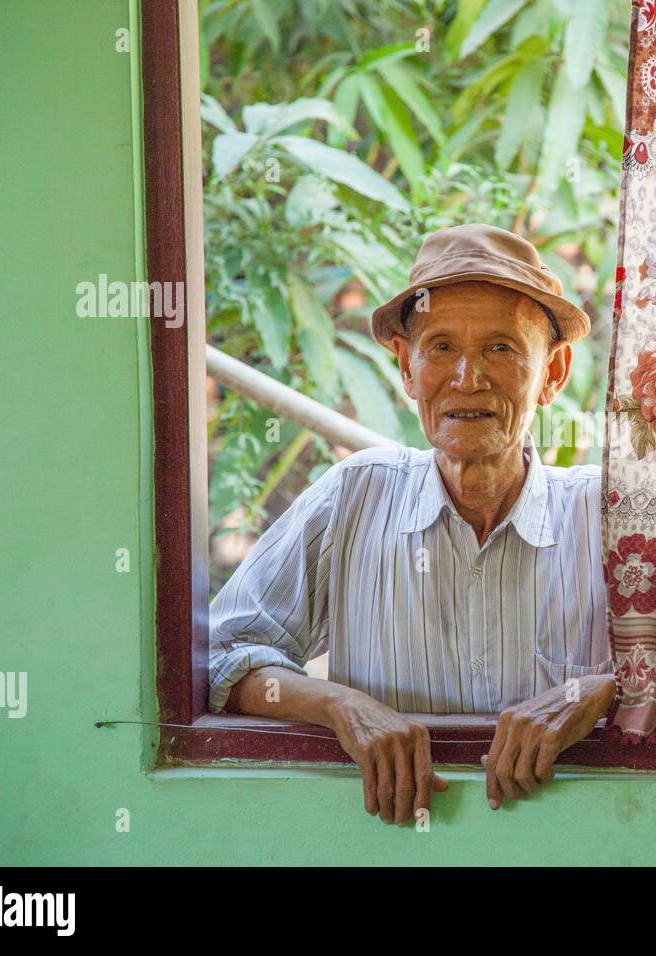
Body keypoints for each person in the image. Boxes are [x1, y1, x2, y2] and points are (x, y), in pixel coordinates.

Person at [208, 224, 615, 825]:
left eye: (502, 348)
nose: (466, 378)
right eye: (441, 347)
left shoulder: (605, 512)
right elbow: (223, 652)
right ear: (405, 366)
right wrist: (340, 706)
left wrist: (602, 690)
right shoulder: (357, 495)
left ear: (552, 374)